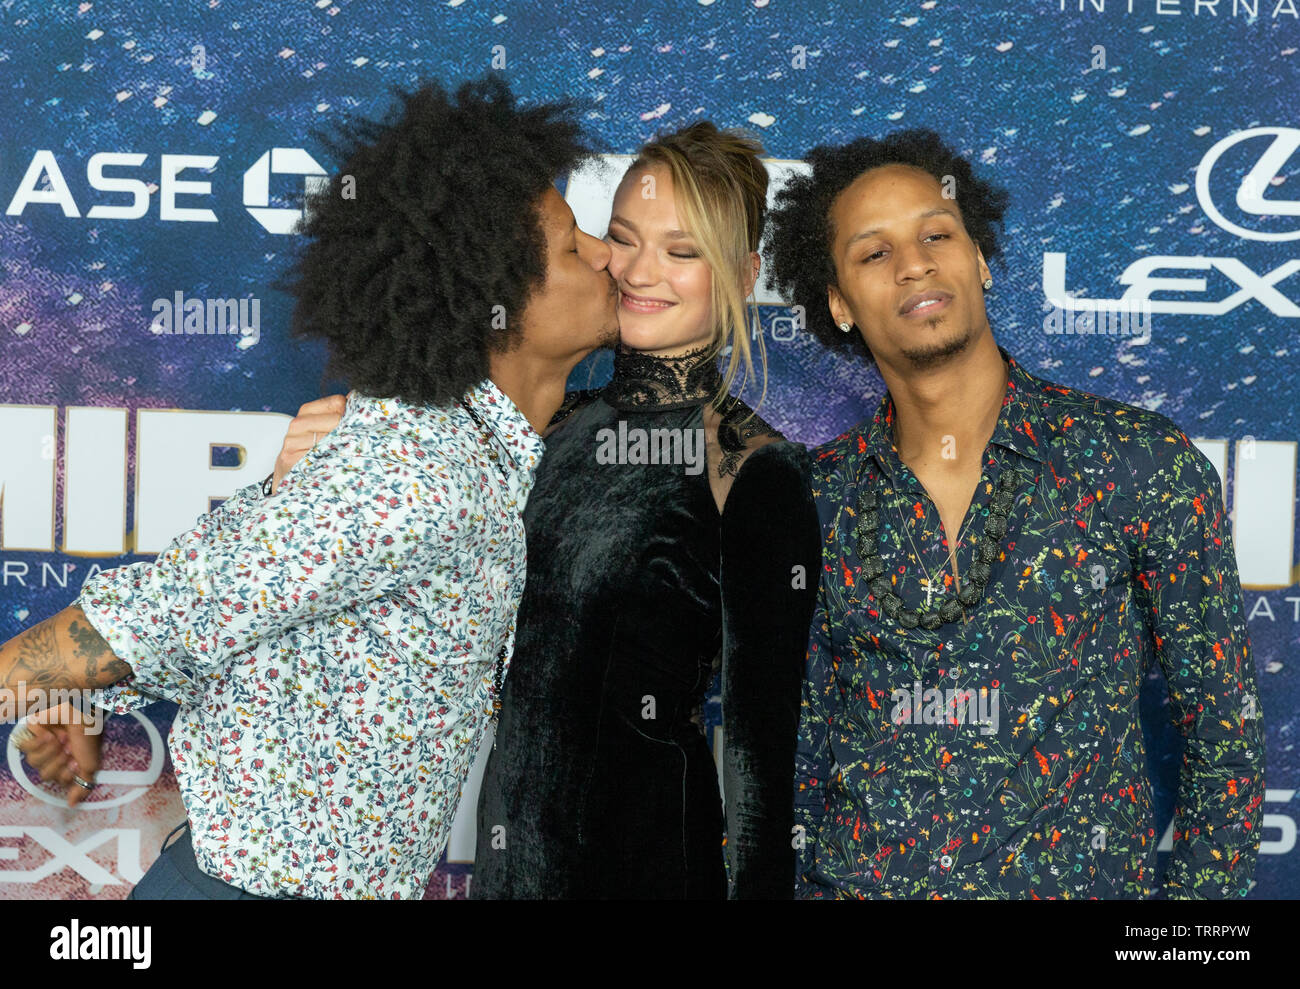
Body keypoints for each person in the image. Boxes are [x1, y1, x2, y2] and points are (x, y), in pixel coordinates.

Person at [4, 74, 620, 899]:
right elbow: (160, 615)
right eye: (575, 247)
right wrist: (46, 679)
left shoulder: (466, 454)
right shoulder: (421, 471)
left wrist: (93, 702)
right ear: (491, 301)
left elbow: (263, 614)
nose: (607, 256)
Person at [275, 122, 822, 898]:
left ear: (741, 276)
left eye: (681, 251)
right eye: (623, 238)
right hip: (506, 870)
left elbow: (763, 765)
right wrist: (300, 481)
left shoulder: (751, 466)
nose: (638, 271)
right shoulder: (543, 431)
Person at [764, 128, 1265, 899]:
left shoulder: (1136, 463)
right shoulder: (816, 496)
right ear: (837, 303)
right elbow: (799, 752)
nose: (914, 263)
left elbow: (1225, 732)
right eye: (875, 252)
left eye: (937, 234)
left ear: (980, 259)